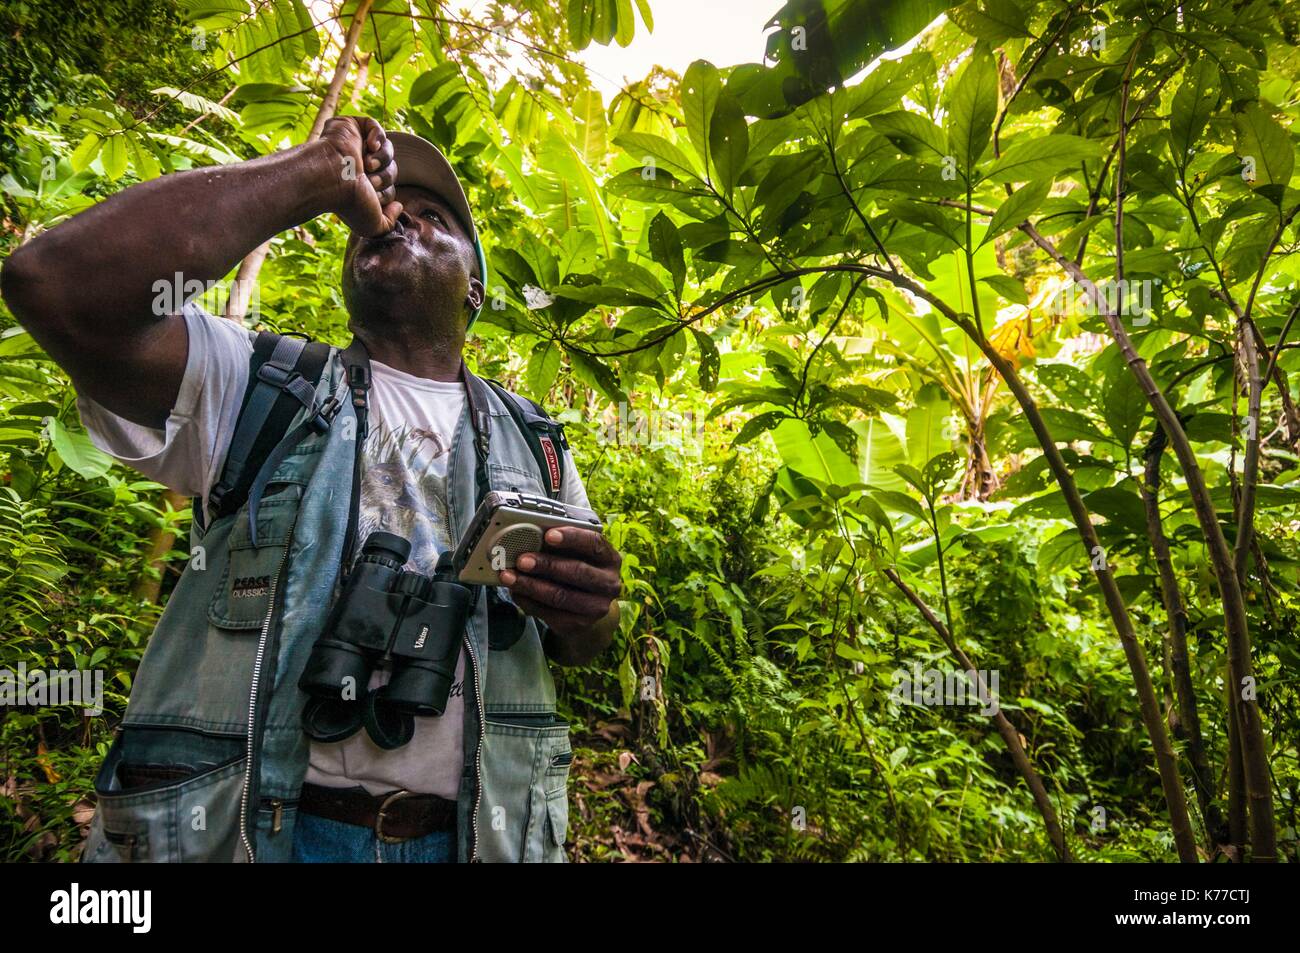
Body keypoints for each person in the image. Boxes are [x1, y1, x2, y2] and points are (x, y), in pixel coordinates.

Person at [0, 116, 623, 863]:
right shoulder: (258, 384)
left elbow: (584, 641)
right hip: (264, 831)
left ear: (476, 290)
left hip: (471, 837)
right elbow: (54, 285)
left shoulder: (535, 440)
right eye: (385, 210)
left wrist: (589, 609)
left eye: (434, 218)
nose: (397, 217)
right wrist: (311, 174)